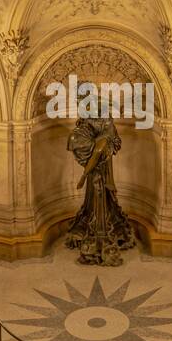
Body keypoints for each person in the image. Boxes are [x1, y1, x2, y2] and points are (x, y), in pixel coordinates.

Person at [64, 100, 136, 266]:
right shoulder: (86, 118)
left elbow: (110, 138)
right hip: (95, 150)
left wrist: (100, 141)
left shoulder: (105, 119)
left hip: (104, 150)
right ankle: (94, 225)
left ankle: (102, 231)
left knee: (99, 176)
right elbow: (82, 130)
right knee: (82, 143)